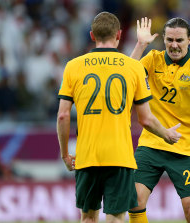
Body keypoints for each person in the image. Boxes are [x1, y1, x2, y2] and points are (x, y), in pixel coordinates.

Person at [56, 12, 181, 223]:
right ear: (119, 35)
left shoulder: (73, 67)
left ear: (92, 35)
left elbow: (62, 115)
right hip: (120, 157)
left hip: (87, 156)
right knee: (115, 219)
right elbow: (146, 119)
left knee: (87, 219)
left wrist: (65, 155)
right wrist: (166, 134)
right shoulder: (133, 68)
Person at [128, 17, 190, 223]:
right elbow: (124, 76)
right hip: (151, 143)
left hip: (185, 147)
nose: (174, 45)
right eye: (169, 40)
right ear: (163, 39)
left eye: (179, 40)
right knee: (135, 200)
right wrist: (140, 45)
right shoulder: (152, 60)